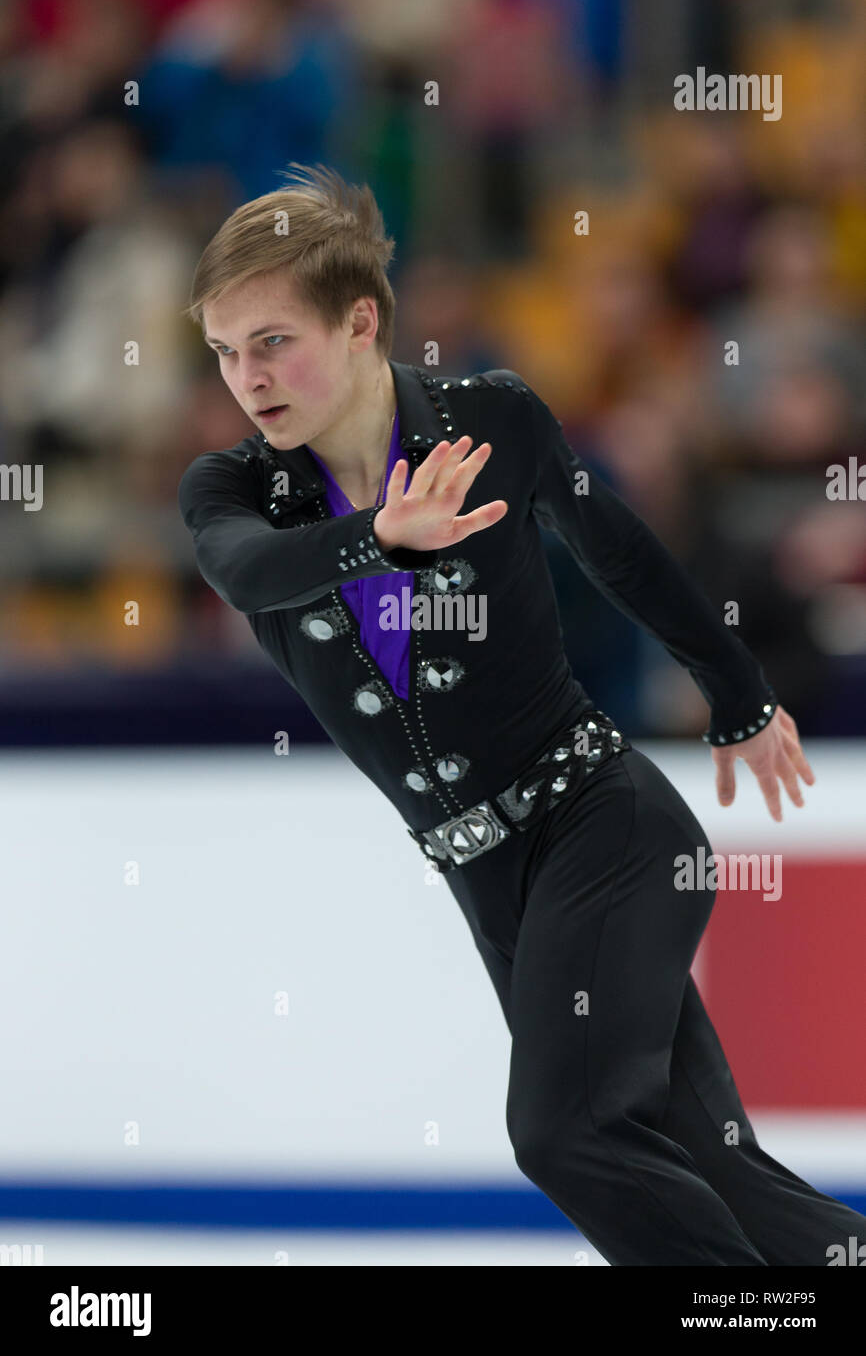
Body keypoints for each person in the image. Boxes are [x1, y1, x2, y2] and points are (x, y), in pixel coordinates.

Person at [178, 163, 866, 1265]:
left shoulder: (488, 418)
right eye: (223, 350)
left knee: (564, 1131)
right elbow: (248, 572)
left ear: (358, 322)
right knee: (718, 1166)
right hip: (486, 877)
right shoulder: (234, 491)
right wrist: (379, 540)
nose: (245, 377)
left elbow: (620, 553)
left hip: (601, 822)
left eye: (270, 341)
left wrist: (739, 696)